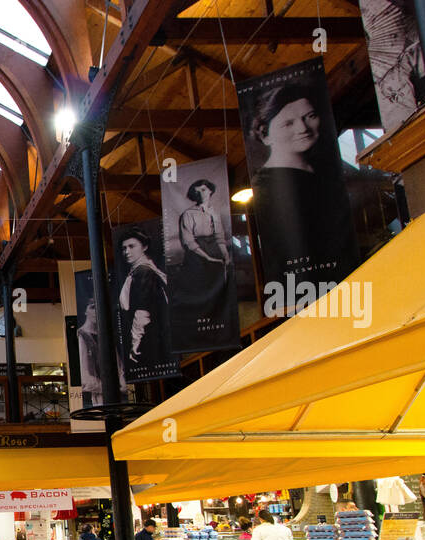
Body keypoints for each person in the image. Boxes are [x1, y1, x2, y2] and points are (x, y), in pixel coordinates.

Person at [247, 83, 359, 296]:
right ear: (265, 134)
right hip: (309, 295)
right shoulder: (267, 189)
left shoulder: (326, 173)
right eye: (288, 123)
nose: (303, 128)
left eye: (309, 116)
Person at [172, 178, 235, 346]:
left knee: (221, 285)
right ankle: (201, 334)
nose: (201, 194)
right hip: (196, 255)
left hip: (213, 250)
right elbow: (188, 242)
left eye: (204, 190)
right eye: (197, 191)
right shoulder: (188, 214)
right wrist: (206, 257)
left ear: (210, 192)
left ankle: (221, 327)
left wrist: (225, 255)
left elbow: (219, 237)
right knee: (200, 288)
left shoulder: (214, 212)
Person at [116, 225, 170, 378]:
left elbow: (142, 310)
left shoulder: (143, 272)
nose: (127, 252)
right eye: (124, 248)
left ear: (144, 246)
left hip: (148, 339)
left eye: (132, 246)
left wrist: (136, 341)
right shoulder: (144, 271)